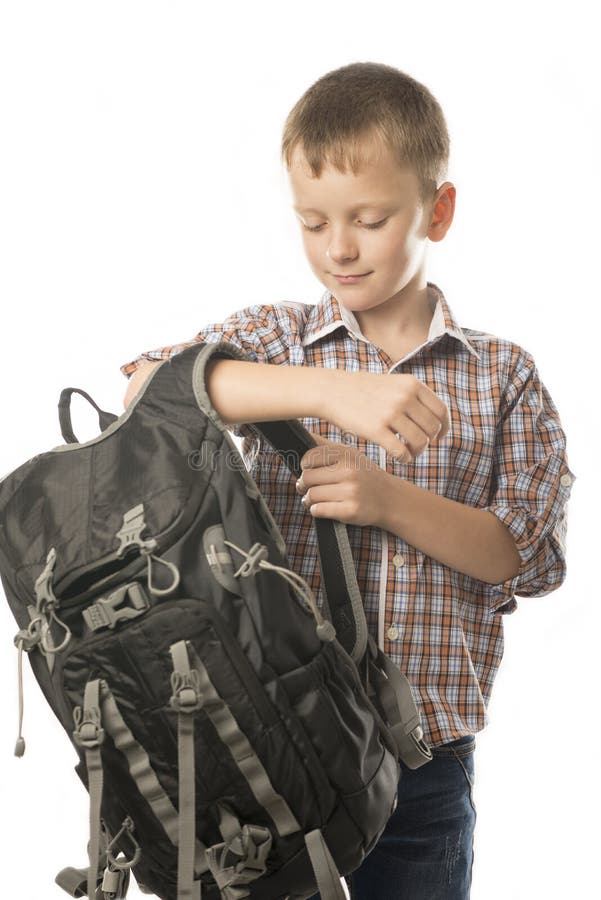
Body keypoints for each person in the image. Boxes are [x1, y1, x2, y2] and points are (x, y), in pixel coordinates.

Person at [120, 62, 576, 900]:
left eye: (369, 219)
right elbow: (150, 385)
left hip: (424, 770)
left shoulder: (502, 375)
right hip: (270, 747)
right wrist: (331, 390)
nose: (339, 247)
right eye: (312, 222)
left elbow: (521, 552)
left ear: (436, 210)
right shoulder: (278, 338)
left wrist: (387, 500)